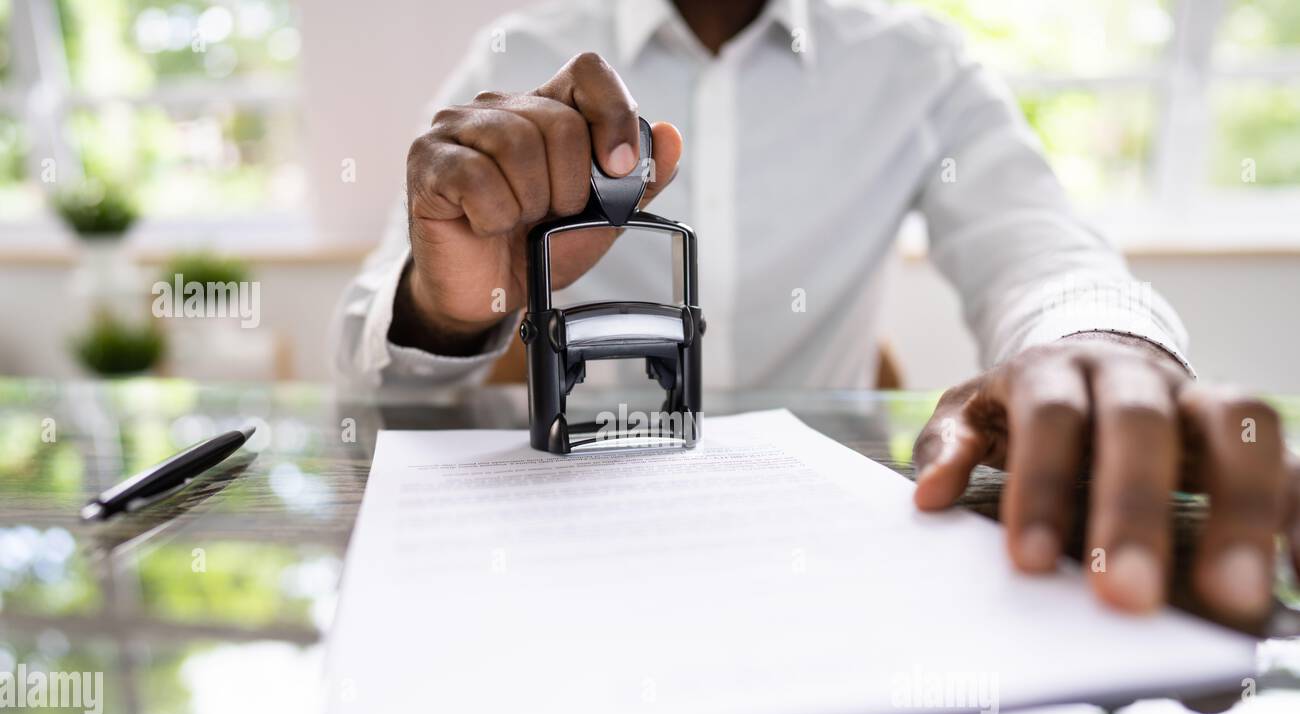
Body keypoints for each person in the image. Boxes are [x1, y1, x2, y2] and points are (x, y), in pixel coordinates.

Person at [335, 0, 1298, 626]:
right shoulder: (518, 50)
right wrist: (455, 304)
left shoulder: (915, 61)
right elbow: (370, 363)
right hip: (558, 575)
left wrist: (1096, 337)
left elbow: (1041, 245)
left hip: (829, 583)